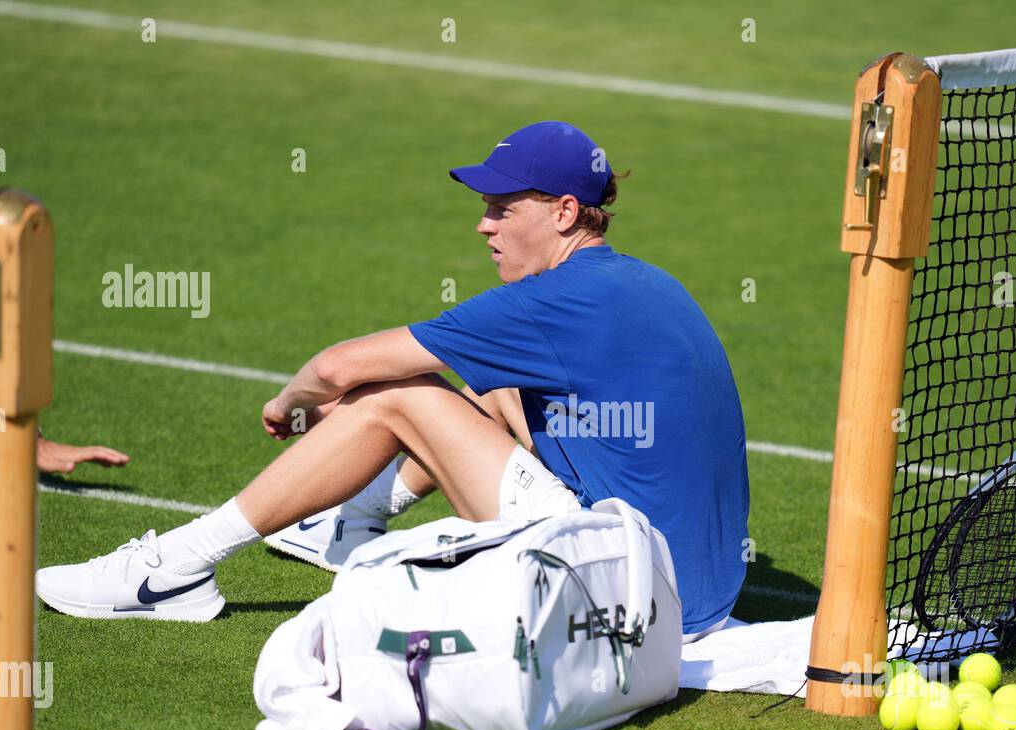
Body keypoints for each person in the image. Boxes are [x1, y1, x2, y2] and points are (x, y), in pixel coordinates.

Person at [36, 121, 749, 641]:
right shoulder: (648, 282)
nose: (484, 226)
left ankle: (176, 570)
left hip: (625, 606)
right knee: (493, 380)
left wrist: (288, 406)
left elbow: (339, 367)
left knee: (400, 394)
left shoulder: (551, 300)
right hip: (689, 592)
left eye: (503, 207)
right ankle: (353, 518)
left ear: (564, 213)